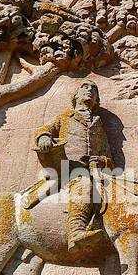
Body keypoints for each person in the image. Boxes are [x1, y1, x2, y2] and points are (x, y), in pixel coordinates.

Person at [33, 81, 113, 249]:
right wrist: (44, 138)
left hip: (97, 174)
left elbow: (110, 160)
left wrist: (102, 161)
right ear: (75, 95)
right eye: (85, 87)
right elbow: (44, 129)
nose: (90, 90)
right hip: (68, 168)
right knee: (83, 185)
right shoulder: (65, 117)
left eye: (94, 89)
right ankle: (76, 233)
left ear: (97, 99)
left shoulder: (99, 124)